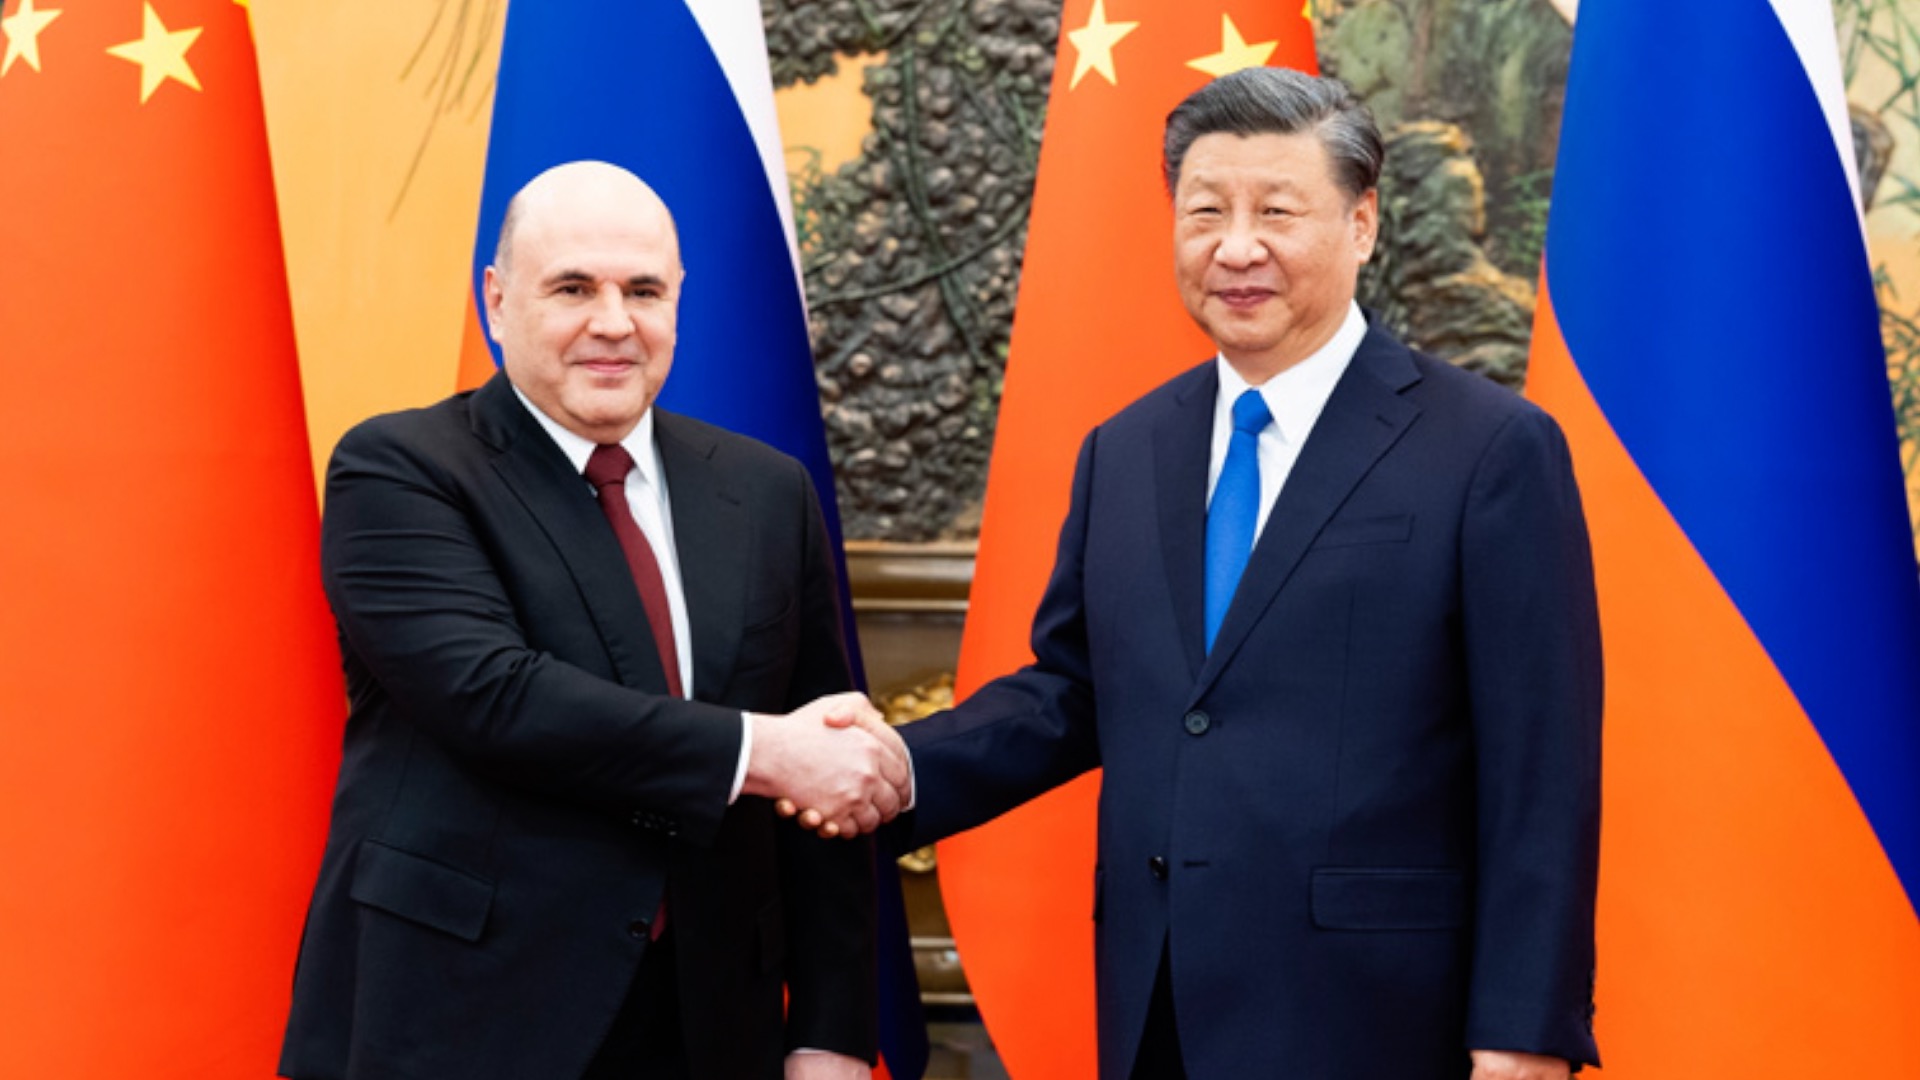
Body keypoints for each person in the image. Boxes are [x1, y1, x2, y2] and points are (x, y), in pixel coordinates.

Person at [810, 68, 1603, 1079]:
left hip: (1380, 1020)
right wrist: (895, 768)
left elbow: (1541, 766)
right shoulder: (1129, 448)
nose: (1236, 247)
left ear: (1361, 224)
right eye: (1205, 212)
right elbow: (1075, 692)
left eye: (1276, 212)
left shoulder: (1489, 448)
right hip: (1160, 1009)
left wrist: (1525, 1032)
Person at [279, 160, 909, 1080]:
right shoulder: (400, 469)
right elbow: (495, 697)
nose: (614, 322)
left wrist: (831, 1030)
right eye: (573, 288)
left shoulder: (767, 492)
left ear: (678, 301)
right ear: (498, 302)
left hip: (709, 1026)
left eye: (643, 291)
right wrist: (762, 752)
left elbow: (824, 770)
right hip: (462, 1018)